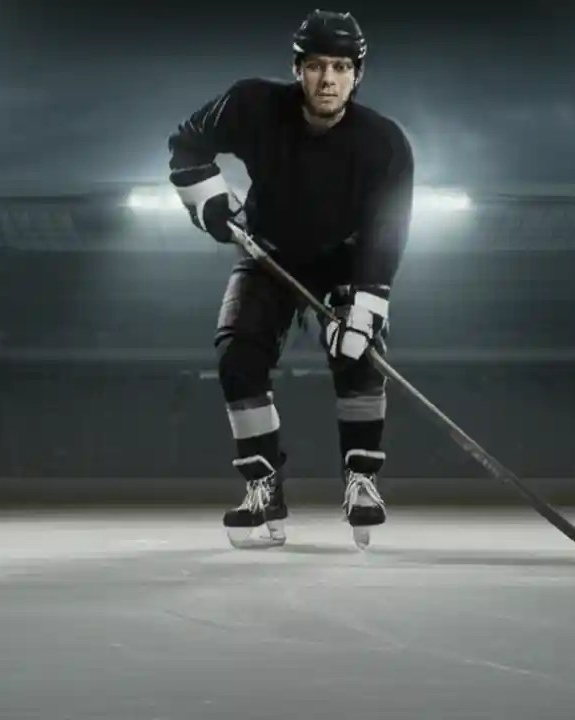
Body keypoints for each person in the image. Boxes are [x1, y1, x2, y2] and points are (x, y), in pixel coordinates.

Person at [167, 9, 414, 548]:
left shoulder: (384, 143)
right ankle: (263, 486)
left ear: (357, 75)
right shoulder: (251, 104)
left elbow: (387, 231)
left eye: (342, 67)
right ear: (297, 69)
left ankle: (362, 479)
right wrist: (209, 202)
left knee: (360, 353)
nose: (328, 79)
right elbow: (187, 145)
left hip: (346, 259)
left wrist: (365, 308)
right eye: (317, 65)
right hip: (269, 252)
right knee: (237, 355)